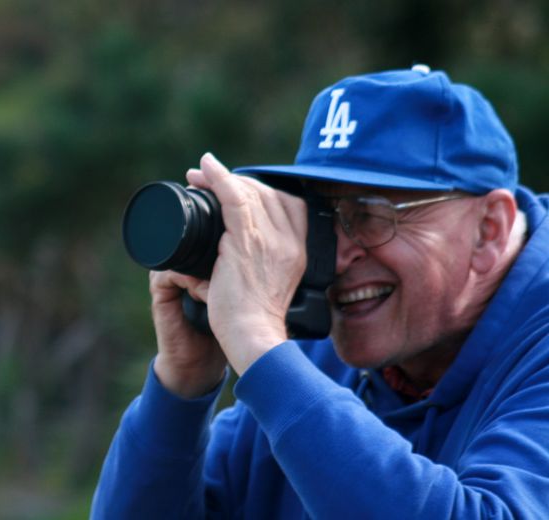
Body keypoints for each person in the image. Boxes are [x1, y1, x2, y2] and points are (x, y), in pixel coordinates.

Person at [92, 65, 549, 518]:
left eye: (370, 214)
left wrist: (256, 339)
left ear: (488, 230)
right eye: (321, 218)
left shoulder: (281, 368)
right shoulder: (315, 359)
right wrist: (182, 383)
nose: (332, 256)